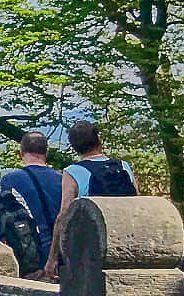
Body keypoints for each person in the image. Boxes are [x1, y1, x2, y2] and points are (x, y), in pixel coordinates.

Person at [38, 119, 137, 278]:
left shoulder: (73, 171)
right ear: (99, 139)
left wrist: (52, 258)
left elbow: (64, 214)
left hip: (91, 245)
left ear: (74, 147)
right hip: (126, 239)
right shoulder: (123, 166)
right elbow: (137, 202)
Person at [0, 132, 64, 262]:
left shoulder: (10, 180)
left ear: (21, 152)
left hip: (30, 251)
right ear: (46, 151)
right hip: (61, 249)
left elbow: (8, 220)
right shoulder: (63, 179)